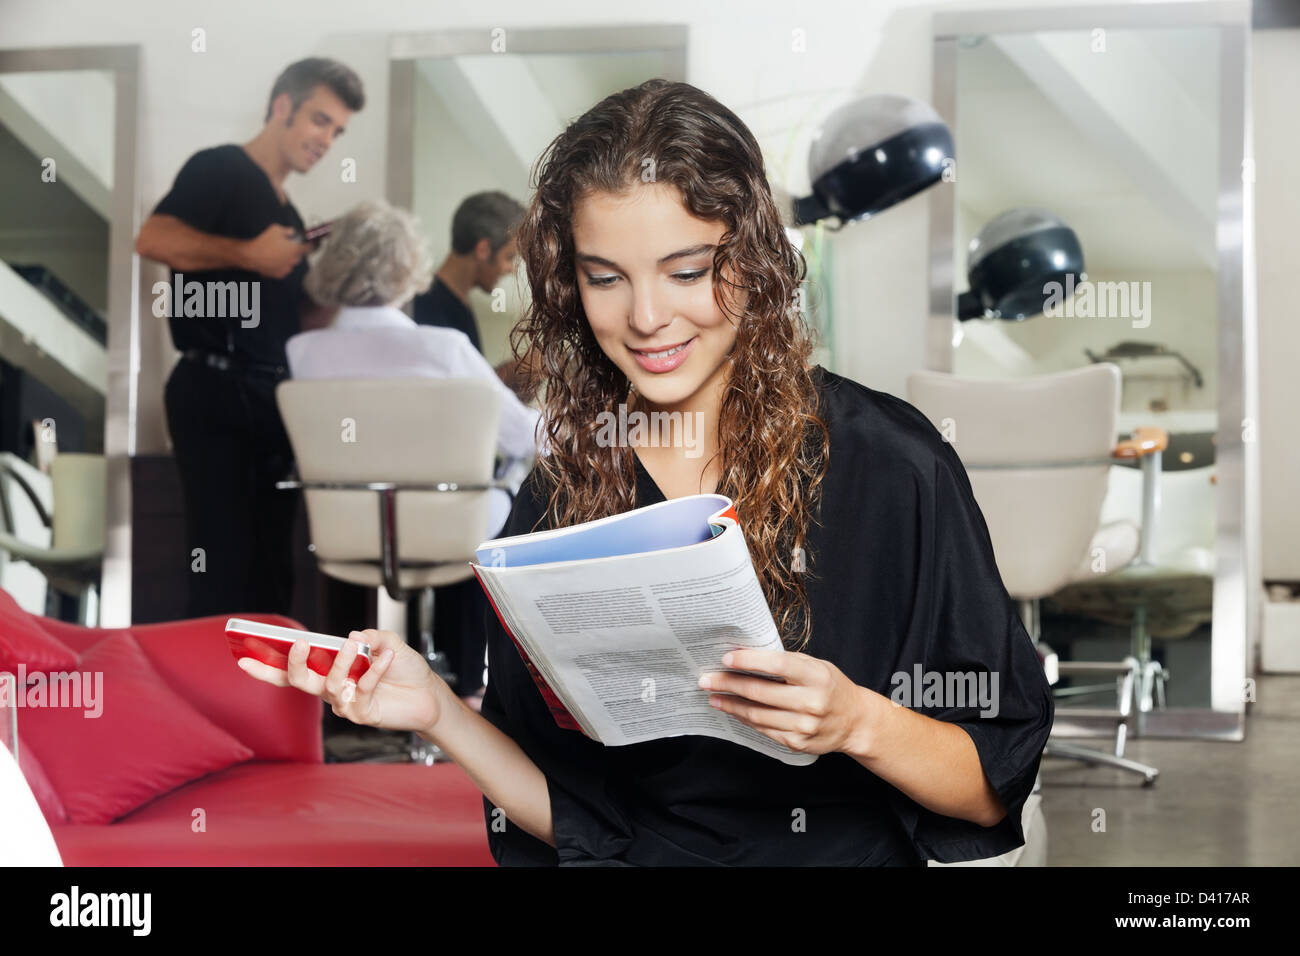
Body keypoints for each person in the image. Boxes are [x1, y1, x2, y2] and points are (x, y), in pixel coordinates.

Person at [237, 78, 1054, 867]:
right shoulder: (563, 494)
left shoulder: (892, 467)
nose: (647, 317)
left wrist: (855, 722)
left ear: (755, 255)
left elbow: (988, 792)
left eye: (688, 270)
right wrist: (437, 711)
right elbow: (584, 824)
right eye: (606, 278)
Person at [286, 198, 542, 708]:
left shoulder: (303, 352)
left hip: (346, 533)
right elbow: (528, 438)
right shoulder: (442, 347)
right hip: (451, 530)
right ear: (407, 268)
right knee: (531, 477)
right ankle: (493, 691)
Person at [135, 58, 364, 618]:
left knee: (271, 570)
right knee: (222, 561)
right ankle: (211, 701)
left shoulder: (287, 212)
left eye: (337, 132)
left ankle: (258, 702)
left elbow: (290, 325)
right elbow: (152, 238)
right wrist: (250, 254)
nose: (326, 140)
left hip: (269, 398)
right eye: (319, 121)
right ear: (282, 106)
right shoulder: (221, 168)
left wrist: (337, 288)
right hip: (213, 390)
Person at [412, 191, 540, 399]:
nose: (511, 269)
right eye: (509, 257)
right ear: (483, 249)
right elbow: (458, 397)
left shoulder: (458, 303)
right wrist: (524, 367)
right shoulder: (426, 307)